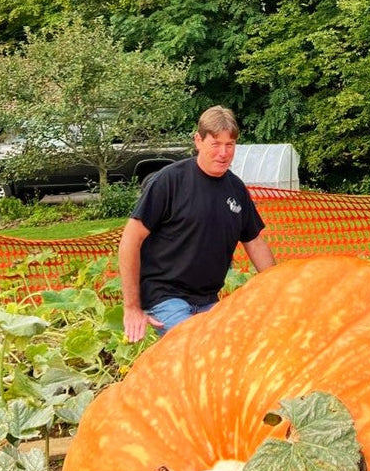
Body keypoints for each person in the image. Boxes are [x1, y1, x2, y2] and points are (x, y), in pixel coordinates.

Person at [118, 105, 276, 341]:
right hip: (165, 296)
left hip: (208, 300)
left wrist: (281, 289)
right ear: (198, 141)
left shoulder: (236, 189)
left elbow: (255, 242)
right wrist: (132, 308)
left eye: (229, 145)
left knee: (235, 346)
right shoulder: (169, 181)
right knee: (196, 346)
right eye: (215, 144)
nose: (223, 153)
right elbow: (130, 240)